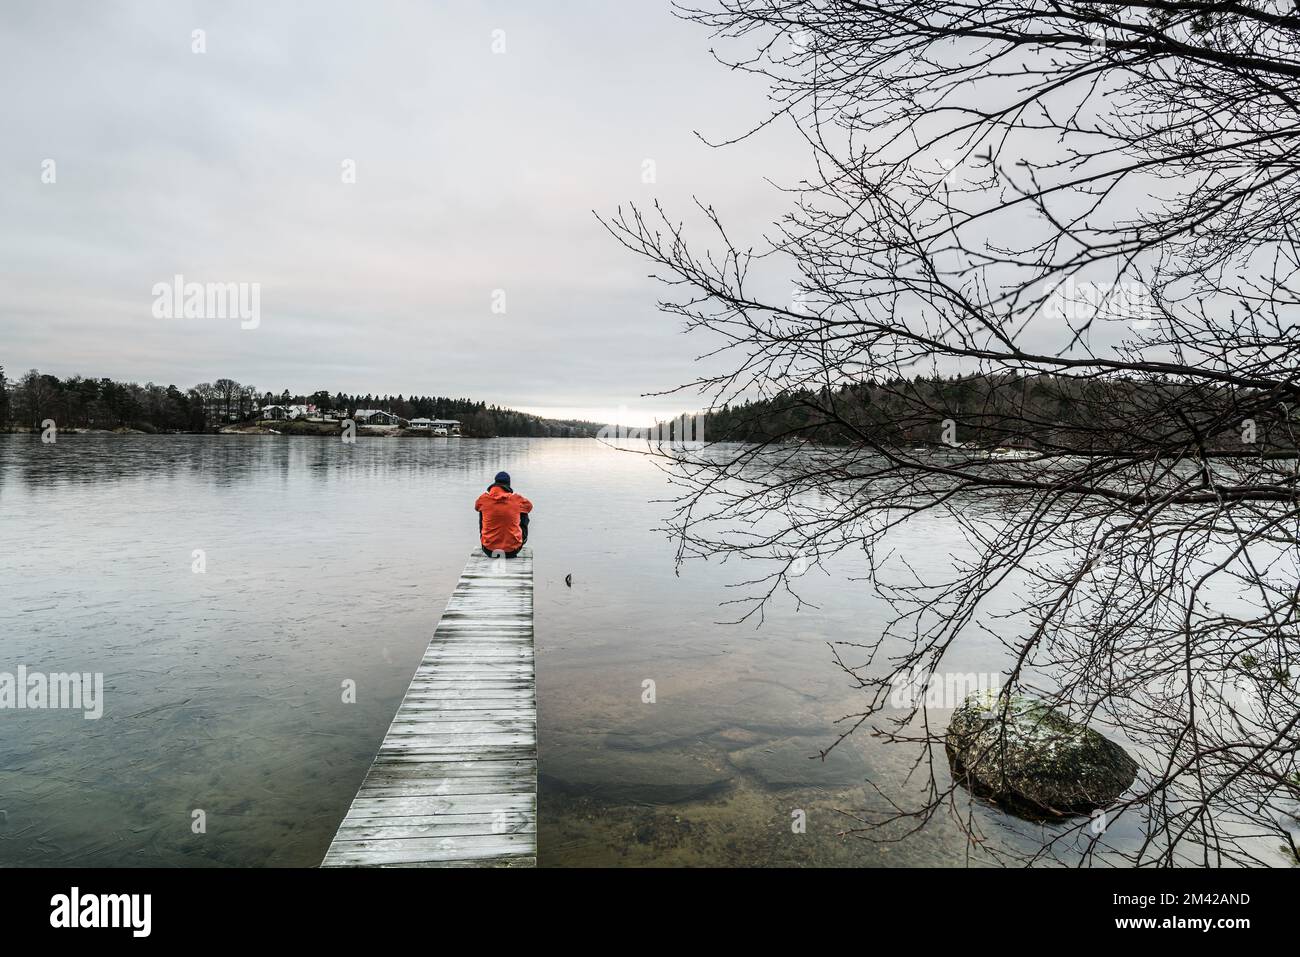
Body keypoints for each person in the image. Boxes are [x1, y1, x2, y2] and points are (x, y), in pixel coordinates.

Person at [475, 471, 532, 558]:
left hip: (489, 550)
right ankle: (518, 540)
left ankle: (487, 540)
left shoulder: (483, 499)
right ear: (508, 484)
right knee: (523, 511)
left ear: (495, 482)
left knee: (482, 510)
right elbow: (529, 507)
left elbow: (476, 507)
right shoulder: (516, 499)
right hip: (512, 551)